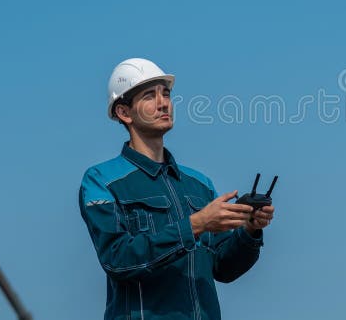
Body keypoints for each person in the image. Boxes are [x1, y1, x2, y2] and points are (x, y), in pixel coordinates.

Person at [79, 58, 275, 320]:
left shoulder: (200, 184)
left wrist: (250, 230)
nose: (164, 103)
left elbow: (224, 269)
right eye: (150, 95)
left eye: (167, 94)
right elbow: (118, 259)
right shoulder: (101, 180)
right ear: (124, 112)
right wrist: (195, 224)